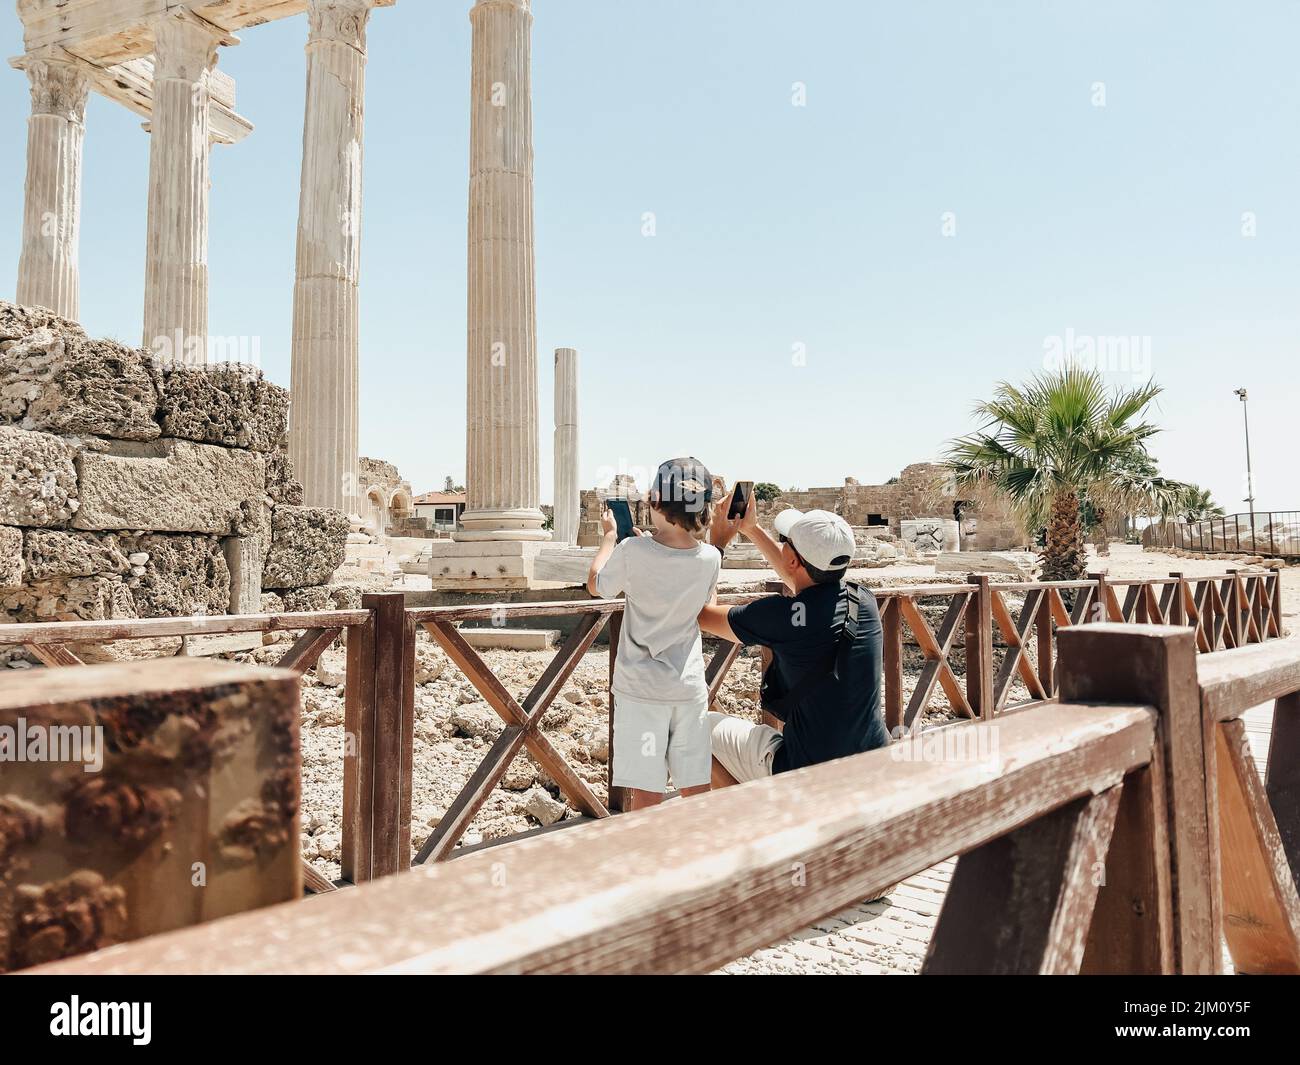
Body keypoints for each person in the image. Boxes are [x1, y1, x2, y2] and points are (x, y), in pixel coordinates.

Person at [698, 500, 889, 786]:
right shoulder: (863, 600)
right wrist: (752, 530)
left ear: (792, 558)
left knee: (692, 730)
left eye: (785, 541)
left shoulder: (784, 616)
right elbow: (798, 575)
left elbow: (702, 614)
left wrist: (716, 547)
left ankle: (751, 817)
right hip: (872, 762)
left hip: (807, 771)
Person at [587, 457, 723, 810]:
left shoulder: (632, 551)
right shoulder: (710, 557)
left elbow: (597, 585)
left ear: (654, 501)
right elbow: (705, 600)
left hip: (641, 690)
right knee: (695, 785)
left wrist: (609, 540)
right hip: (688, 686)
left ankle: (649, 859)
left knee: (646, 792)